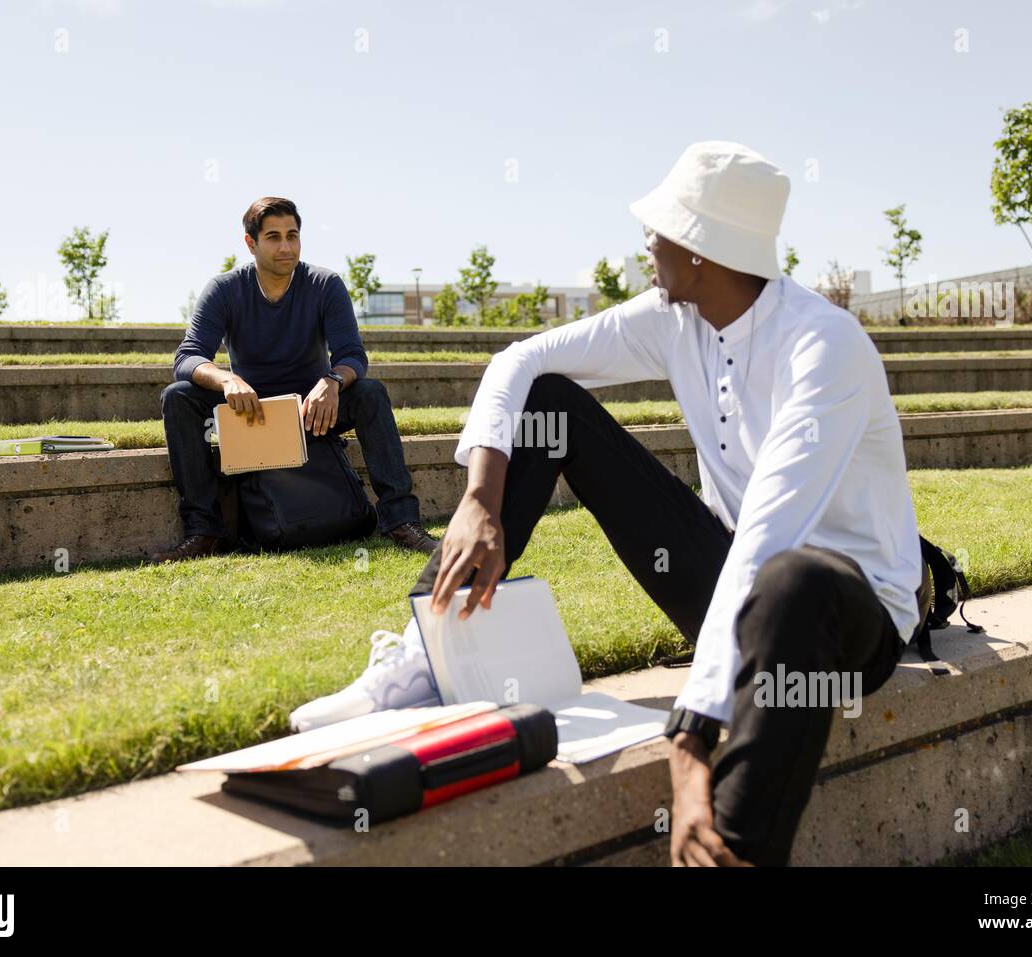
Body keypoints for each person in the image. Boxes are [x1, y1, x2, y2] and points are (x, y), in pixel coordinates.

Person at [289, 143, 929, 867]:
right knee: (551, 401)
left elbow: (765, 542)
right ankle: (424, 654)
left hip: (844, 620)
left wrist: (689, 742)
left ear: (700, 252)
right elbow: (518, 361)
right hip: (740, 588)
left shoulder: (824, 345)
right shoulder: (675, 318)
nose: (646, 242)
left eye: (659, 229)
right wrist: (480, 499)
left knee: (792, 578)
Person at [153, 196, 439, 562]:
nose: (286, 246)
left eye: (293, 235)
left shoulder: (324, 284)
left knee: (369, 392)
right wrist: (226, 380)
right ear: (250, 243)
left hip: (312, 411)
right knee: (178, 396)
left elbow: (353, 354)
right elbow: (187, 357)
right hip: (251, 412)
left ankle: (401, 522)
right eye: (273, 237)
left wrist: (332, 380)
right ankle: (205, 531)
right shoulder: (225, 289)